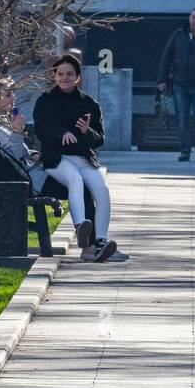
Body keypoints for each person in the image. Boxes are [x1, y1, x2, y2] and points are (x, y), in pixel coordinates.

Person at [34, 54, 118, 262]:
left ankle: (101, 240)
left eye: (70, 74)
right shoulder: (45, 101)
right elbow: (41, 130)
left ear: (78, 77)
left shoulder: (89, 103)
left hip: (83, 158)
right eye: (60, 74)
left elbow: (100, 139)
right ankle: (81, 226)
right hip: (56, 159)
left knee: (102, 189)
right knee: (75, 179)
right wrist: (61, 133)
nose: (65, 78)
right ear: (54, 76)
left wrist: (87, 131)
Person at [157, 8, 195, 162]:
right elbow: (166, 57)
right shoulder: (178, 35)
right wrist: (162, 79)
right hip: (180, 85)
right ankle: (185, 150)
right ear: (189, 18)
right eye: (194, 17)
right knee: (182, 119)